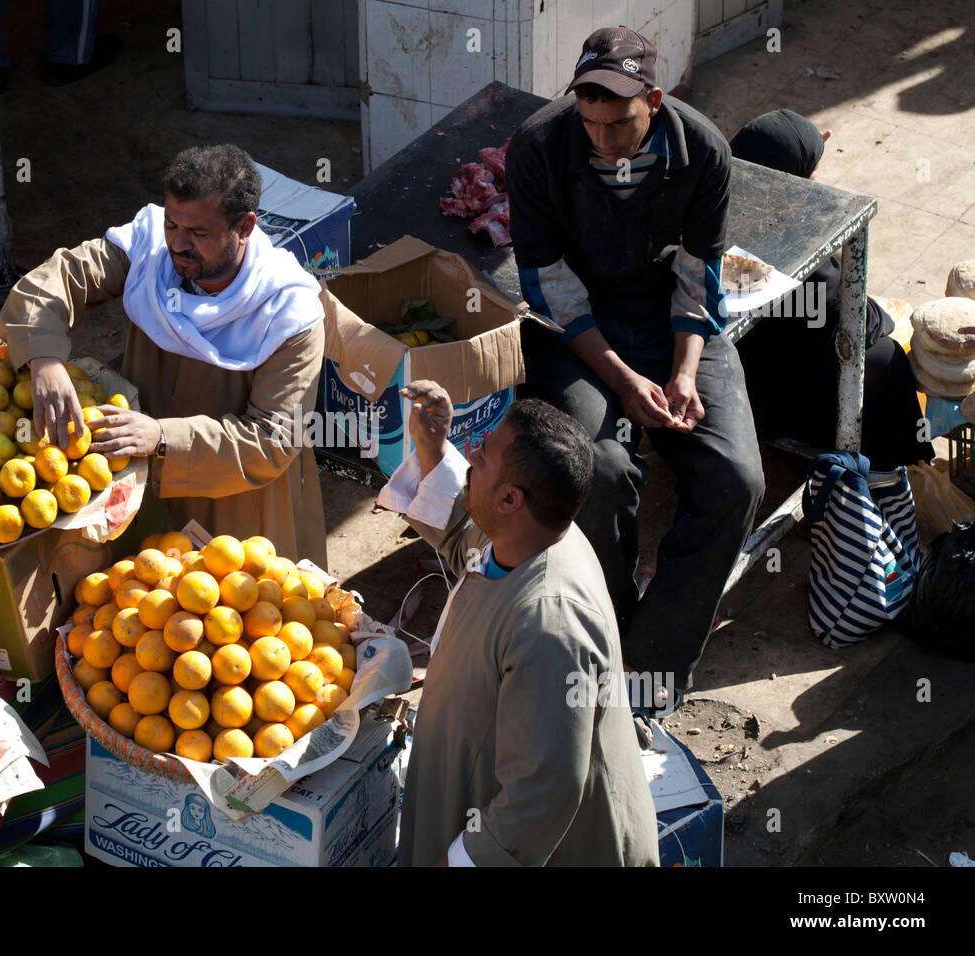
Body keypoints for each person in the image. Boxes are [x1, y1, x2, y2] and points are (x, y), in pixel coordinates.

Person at [504, 26, 765, 710]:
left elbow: (696, 276)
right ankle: (609, 631)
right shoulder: (537, 145)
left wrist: (682, 372)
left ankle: (649, 668)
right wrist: (623, 381)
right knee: (597, 469)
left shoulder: (702, 148)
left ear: (655, 98)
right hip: (575, 330)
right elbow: (552, 289)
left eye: (619, 124)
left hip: (670, 324)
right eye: (590, 123)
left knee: (736, 478)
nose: (604, 141)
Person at [0, 144, 329, 565]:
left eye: (199, 233)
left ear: (244, 227)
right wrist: (43, 359)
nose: (179, 244)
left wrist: (163, 437)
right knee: (135, 601)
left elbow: (272, 440)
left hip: (237, 508)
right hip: (135, 479)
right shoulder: (150, 245)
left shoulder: (289, 311)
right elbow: (55, 283)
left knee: (224, 613)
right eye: (173, 224)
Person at [376, 380, 659, 867]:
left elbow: (541, 791)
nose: (470, 457)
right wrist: (432, 449)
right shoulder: (532, 536)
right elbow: (469, 539)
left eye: (481, 456)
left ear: (510, 500)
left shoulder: (550, 623)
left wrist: (465, 860)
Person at [729, 109, 934, 469]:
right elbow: (863, 321)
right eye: (810, 176)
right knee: (885, 358)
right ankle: (889, 470)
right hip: (751, 399)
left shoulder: (719, 206)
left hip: (735, 365)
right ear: (792, 181)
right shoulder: (778, 251)